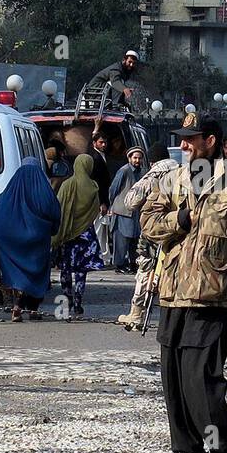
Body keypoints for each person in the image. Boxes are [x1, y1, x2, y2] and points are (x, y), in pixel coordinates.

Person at [141, 112, 227, 453]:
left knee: (203, 381)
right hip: (172, 294)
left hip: (211, 299)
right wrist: (177, 221)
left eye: (190, 139)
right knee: (174, 381)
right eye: (182, 139)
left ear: (209, 141)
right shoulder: (173, 180)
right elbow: (149, 223)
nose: (183, 145)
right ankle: (188, 452)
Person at [0, 157, 61, 323]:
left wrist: (1, 240)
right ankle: (33, 310)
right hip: (38, 243)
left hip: (12, 244)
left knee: (15, 274)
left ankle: (16, 307)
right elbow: (55, 215)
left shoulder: (8, 194)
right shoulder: (45, 193)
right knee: (38, 275)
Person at [118, 142, 179, 328]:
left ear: (152, 161)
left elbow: (130, 201)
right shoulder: (182, 171)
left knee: (146, 270)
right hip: (179, 227)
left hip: (155, 229)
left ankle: (137, 314)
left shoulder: (154, 174)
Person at [52, 154, 106, 317]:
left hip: (68, 234)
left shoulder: (67, 185)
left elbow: (59, 207)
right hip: (86, 235)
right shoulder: (94, 187)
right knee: (81, 272)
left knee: (65, 270)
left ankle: (65, 301)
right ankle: (78, 303)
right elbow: (95, 211)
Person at [108, 147, 145, 273]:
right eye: (135, 158)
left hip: (135, 213)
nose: (137, 160)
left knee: (134, 239)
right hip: (122, 212)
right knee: (121, 240)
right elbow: (113, 189)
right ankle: (119, 265)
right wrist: (112, 205)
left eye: (139, 158)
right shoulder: (124, 171)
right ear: (129, 158)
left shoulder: (142, 172)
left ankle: (133, 263)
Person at [89, 131, 113, 265]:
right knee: (99, 230)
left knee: (103, 231)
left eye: (105, 142)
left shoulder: (101, 156)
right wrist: (102, 202)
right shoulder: (95, 158)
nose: (103, 145)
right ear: (94, 144)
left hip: (102, 199)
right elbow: (98, 183)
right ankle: (99, 257)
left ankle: (104, 257)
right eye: (101, 142)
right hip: (99, 201)